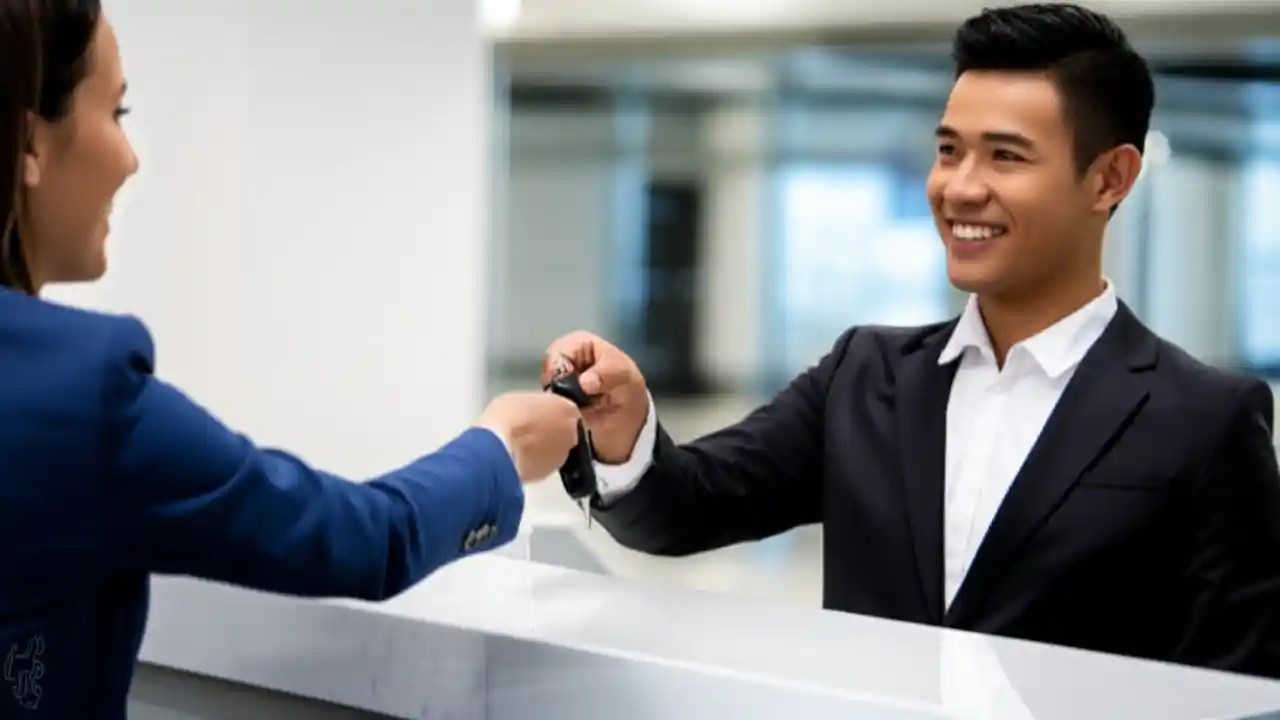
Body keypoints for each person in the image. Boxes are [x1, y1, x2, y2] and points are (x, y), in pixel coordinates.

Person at [545, 3, 1280, 679]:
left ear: (1110, 178)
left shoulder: (1204, 419)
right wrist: (624, 426)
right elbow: (682, 509)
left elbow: (1237, 685)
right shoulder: (864, 376)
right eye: (949, 150)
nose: (958, 187)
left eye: (1006, 157)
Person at [0, 1, 584, 716]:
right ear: (29, 143)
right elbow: (363, 539)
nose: (131, 157)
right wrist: (504, 445)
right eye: (116, 113)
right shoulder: (80, 391)